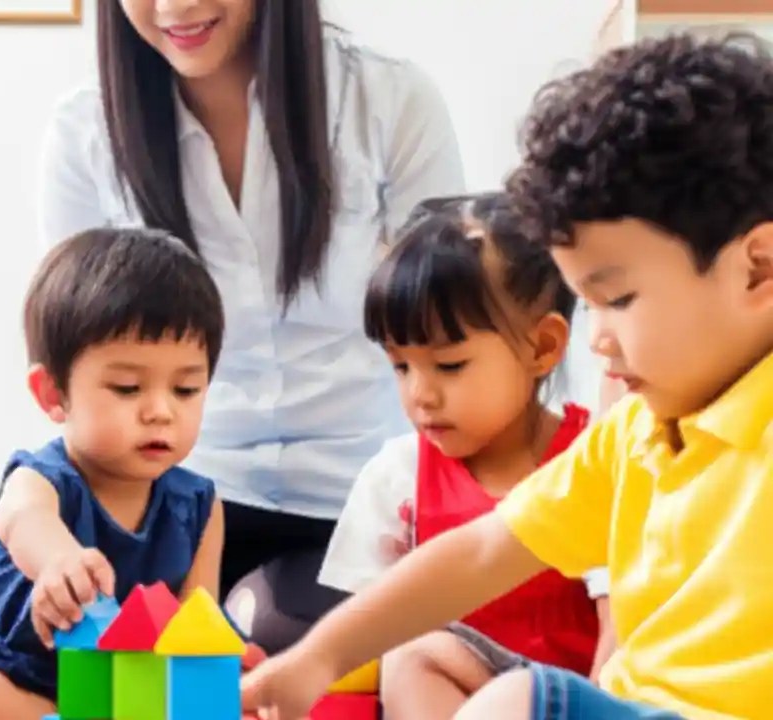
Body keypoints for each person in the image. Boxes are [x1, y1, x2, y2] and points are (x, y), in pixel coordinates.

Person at [240, 32, 773, 720]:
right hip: (635, 706)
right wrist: (318, 657)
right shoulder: (634, 435)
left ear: (758, 268)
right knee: (441, 661)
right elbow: (484, 551)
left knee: (519, 700)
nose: (599, 340)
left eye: (620, 300)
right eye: (589, 305)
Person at [37, 0, 465, 650]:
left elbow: (456, 326)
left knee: (270, 632)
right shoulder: (85, 131)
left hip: (357, 503)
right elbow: (78, 357)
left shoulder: (387, 101)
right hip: (171, 500)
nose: (174, 8)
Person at [317, 193, 611, 719]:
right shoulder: (398, 475)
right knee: (410, 655)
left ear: (542, 347)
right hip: (456, 696)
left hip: (569, 701)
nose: (420, 395)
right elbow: (361, 634)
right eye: (401, 367)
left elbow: (622, 628)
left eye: (449, 366)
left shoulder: (594, 461)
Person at [0, 228, 227, 720]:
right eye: (128, 388)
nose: (160, 411)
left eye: (186, 389)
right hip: (23, 675)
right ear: (52, 394)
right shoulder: (41, 479)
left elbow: (199, 614)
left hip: (133, 692)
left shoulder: (198, 505)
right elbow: (23, 519)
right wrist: (59, 562)